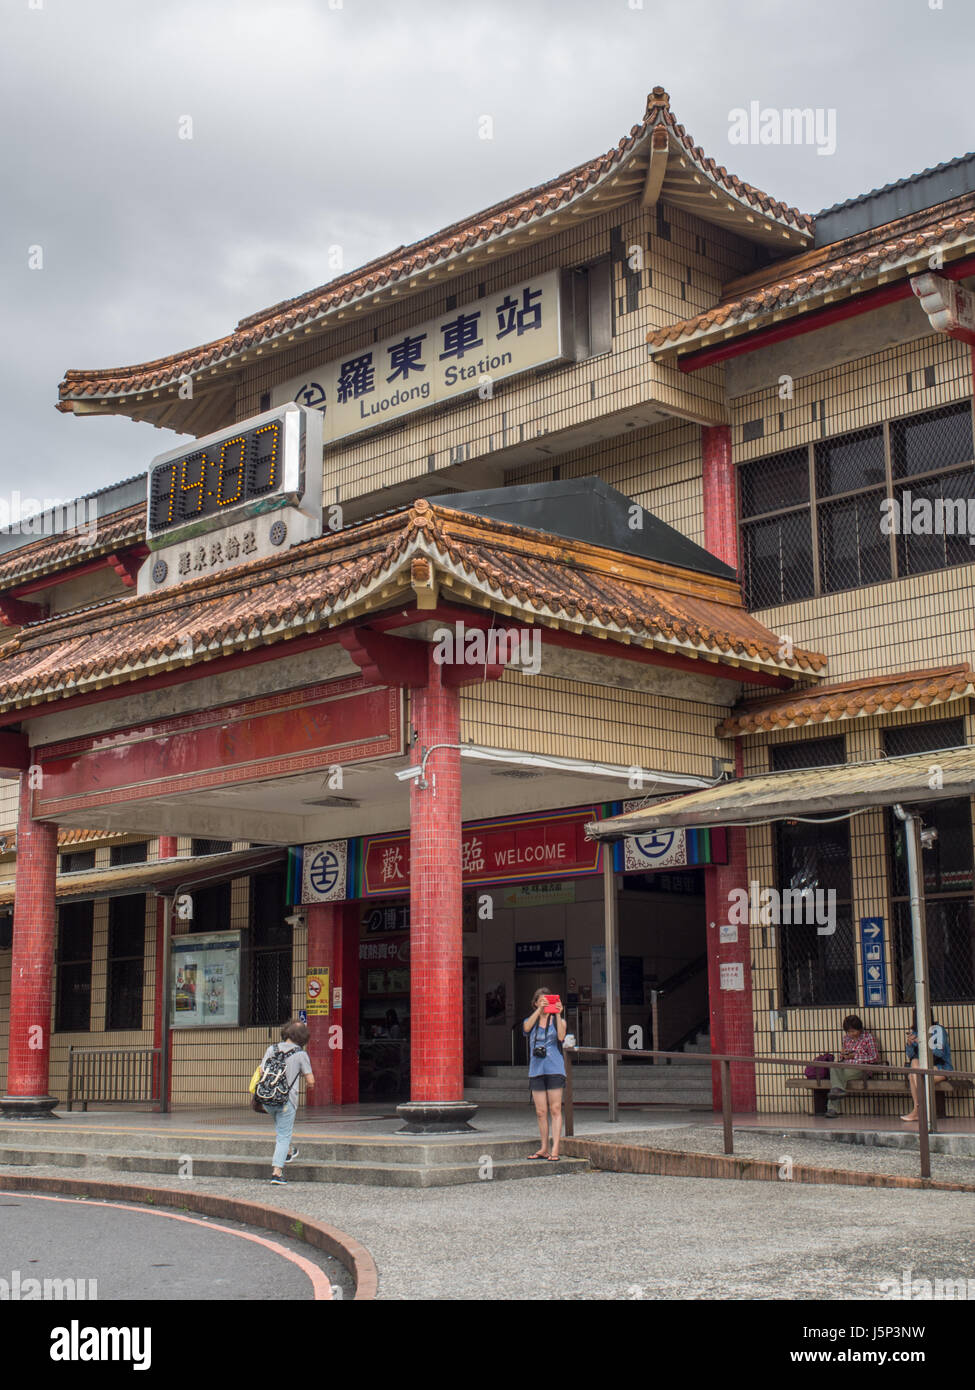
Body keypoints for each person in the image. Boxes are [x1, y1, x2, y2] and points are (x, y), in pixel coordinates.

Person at [258, 1019, 315, 1184]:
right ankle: (277, 1172)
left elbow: (261, 1070)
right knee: (283, 1135)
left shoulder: (272, 1049)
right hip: (286, 1101)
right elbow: (310, 1080)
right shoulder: (300, 1054)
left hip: (267, 1099)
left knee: (282, 1129)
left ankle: (289, 1151)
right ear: (303, 1037)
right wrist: (308, 1084)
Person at [523, 988, 567, 1160]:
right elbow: (526, 1028)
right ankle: (544, 1147)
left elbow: (561, 1037)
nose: (544, 1004)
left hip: (554, 1068)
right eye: (541, 1001)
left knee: (555, 1109)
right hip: (536, 1069)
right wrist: (539, 1011)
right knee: (541, 1111)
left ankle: (555, 1148)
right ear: (535, 1003)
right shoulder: (531, 1021)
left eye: (547, 1001)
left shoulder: (558, 1021)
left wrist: (557, 1013)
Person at [901, 1014, 953, 1123]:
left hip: (941, 1068)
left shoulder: (938, 1030)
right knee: (914, 1066)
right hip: (923, 1070)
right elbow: (911, 1055)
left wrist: (920, 1041)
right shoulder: (915, 1031)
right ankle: (920, 1109)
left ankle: (918, 1110)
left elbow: (939, 1053)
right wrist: (909, 1044)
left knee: (913, 1076)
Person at [825, 1014, 878, 1117]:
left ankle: (832, 1108)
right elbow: (843, 1057)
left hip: (861, 1068)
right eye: (848, 1032)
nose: (851, 1034)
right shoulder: (846, 1038)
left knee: (837, 1079)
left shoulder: (868, 1038)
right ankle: (837, 1091)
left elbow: (874, 1057)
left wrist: (855, 1056)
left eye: (853, 1031)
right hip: (846, 1066)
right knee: (834, 1068)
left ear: (860, 1029)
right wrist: (843, 1055)